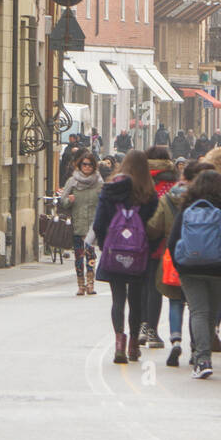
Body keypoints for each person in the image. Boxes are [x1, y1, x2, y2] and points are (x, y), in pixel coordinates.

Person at [167, 169, 221, 379]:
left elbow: (172, 241)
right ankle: (202, 353)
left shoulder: (187, 209)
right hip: (219, 269)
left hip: (189, 269)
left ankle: (201, 359)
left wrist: (180, 265)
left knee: (198, 312)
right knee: (211, 315)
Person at [92, 150, 159, 364]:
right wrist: (148, 248)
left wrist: (106, 245)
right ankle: (133, 347)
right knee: (136, 301)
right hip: (139, 255)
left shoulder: (110, 189)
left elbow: (98, 224)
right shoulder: (148, 193)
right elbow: (155, 226)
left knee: (118, 299)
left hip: (115, 253)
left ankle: (119, 343)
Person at [146, 158, 201, 366]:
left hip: (172, 255)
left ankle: (176, 341)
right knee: (196, 305)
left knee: (175, 300)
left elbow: (154, 226)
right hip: (199, 255)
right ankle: (195, 346)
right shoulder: (205, 198)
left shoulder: (168, 198)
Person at [139, 146, 178, 347]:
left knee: (141, 286)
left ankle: (141, 327)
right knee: (156, 287)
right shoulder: (172, 183)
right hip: (164, 243)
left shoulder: (139, 181)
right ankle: (152, 331)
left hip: (138, 241)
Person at [59, 150, 103, 295]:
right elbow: (63, 202)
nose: (87, 167)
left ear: (94, 166)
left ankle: (90, 284)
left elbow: (104, 202)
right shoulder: (72, 181)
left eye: (90, 165)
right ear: (80, 165)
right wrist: (69, 200)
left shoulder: (99, 182)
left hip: (92, 224)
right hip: (77, 223)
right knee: (79, 256)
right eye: (84, 164)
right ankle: (80, 285)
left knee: (90, 255)